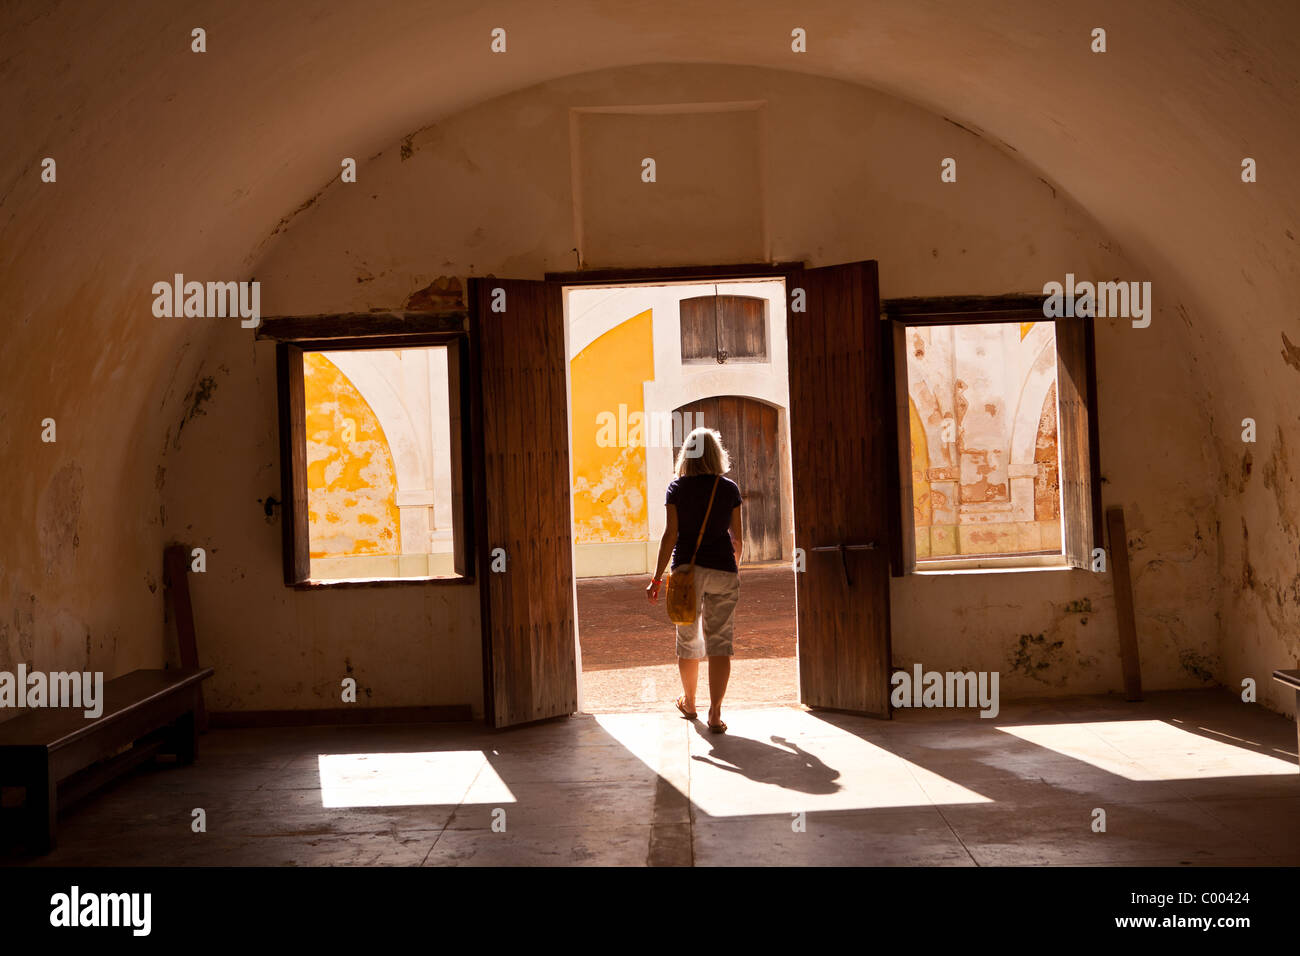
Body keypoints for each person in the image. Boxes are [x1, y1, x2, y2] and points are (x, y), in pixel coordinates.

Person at [646, 426, 743, 733]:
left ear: (686, 454)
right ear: (717, 454)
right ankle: (715, 713)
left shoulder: (677, 489)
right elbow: (738, 540)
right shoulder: (729, 489)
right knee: (720, 643)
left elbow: (670, 536)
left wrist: (657, 578)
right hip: (723, 572)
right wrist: (732, 568)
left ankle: (690, 703)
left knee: (688, 640)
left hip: (687, 574)